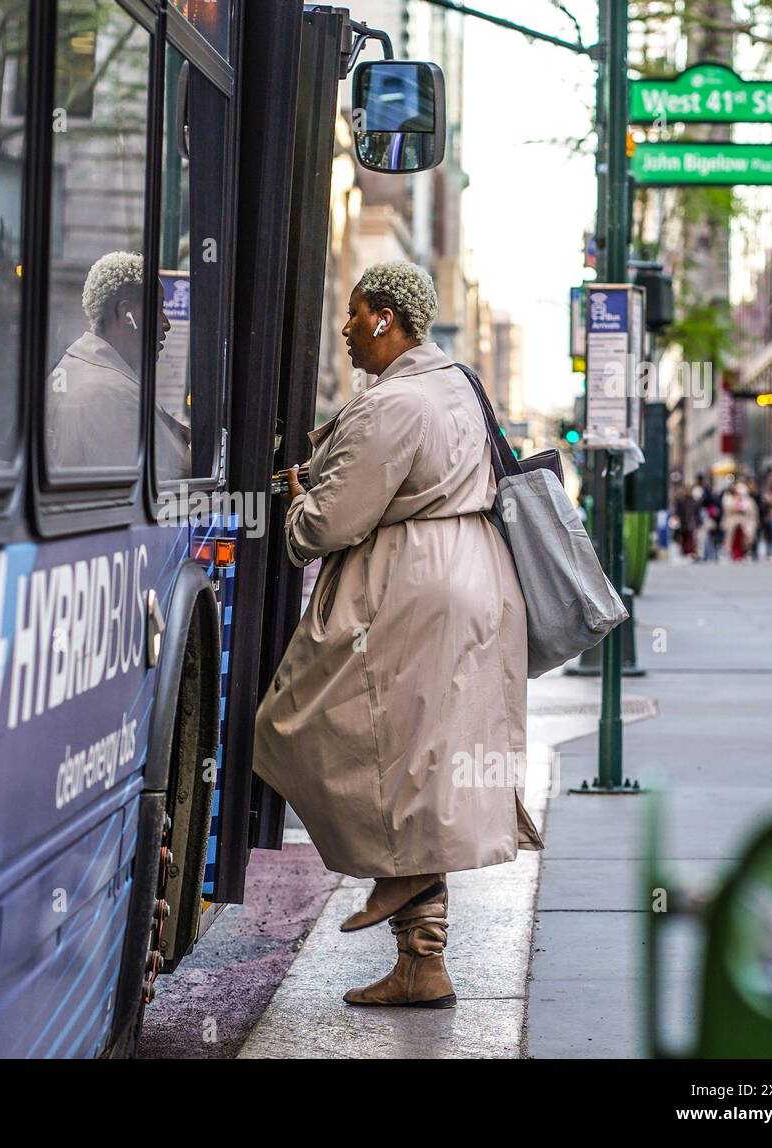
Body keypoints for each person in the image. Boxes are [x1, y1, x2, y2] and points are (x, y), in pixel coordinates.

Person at [254, 261, 542, 1010]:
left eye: (352, 314)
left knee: (290, 727)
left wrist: (298, 503)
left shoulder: (393, 404)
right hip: (476, 581)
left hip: (411, 590)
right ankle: (423, 959)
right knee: (420, 765)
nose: (345, 330)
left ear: (385, 317)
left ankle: (399, 875)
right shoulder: (459, 385)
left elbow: (329, 524)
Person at [44, 251, 189, 477]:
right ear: (126, 313)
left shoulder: (76, 369)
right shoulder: (107, 392)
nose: (166, 323)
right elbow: (167, 484)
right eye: (158, 308)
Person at [721, 478, 759, 562]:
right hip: (733, 523)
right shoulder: (729, 498)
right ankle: (735, 554)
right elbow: (727, 509)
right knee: (733, 540)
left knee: (745, 539)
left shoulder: (749, 501)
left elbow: (752, 512)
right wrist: (735, 506)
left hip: (745, 523)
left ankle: (743, 554)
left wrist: (743, 509)